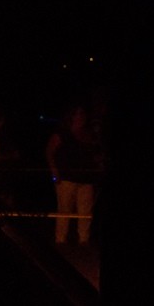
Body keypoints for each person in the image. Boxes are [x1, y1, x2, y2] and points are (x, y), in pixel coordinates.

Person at [47, 103, 103, 245]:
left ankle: (84, 240)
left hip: (86, 178)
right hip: (67, 178)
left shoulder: (89, 134)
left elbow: (95, 153)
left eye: (84, 114)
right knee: (64, 210)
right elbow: (49, 151)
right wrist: (54, 171)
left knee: (85, 213)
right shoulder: (63, 132)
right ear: (72, 115)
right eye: (79, 114)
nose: (82, 117)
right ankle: (60, 240)